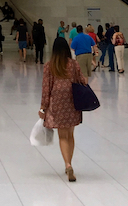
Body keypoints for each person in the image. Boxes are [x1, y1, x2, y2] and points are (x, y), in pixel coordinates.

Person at [39, 37, 87, 182]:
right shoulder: (73, 64)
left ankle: (67, 164)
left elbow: (46, 87)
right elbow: (82, 81)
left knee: (62, 136)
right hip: (72, 99)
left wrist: (43, 107)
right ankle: (69, 164)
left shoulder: (49, 65)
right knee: (70, 134)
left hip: (57, 101)